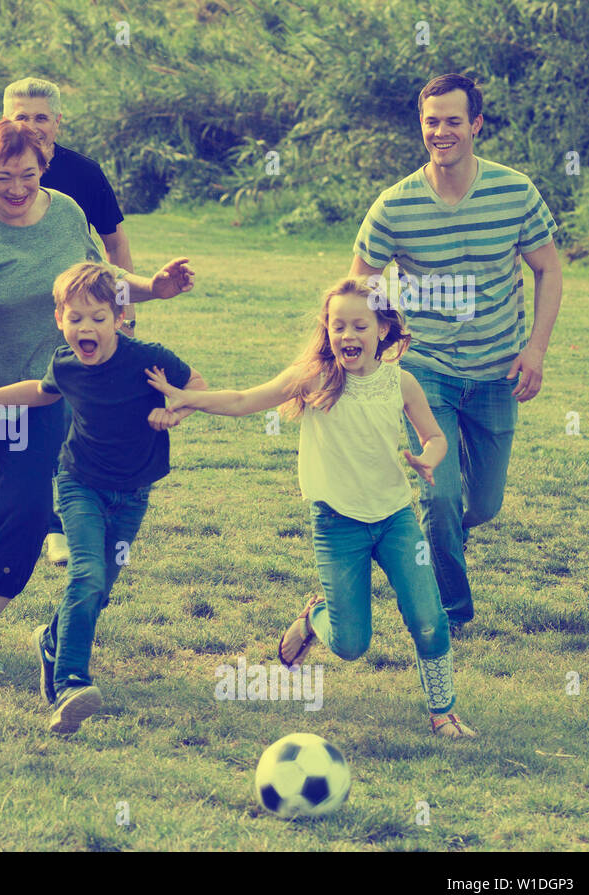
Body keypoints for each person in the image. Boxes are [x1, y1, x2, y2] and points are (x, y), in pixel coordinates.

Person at [0, 118, 194, 680]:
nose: (18, 188)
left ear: (44, 169)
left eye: (28, 174)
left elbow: (96, 281)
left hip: (41, 397)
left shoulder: (67, 212)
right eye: (3, 177)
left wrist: (153, 288)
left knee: (25, 515)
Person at [148, 278, 476, 737]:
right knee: (350, 644)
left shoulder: (401, 383)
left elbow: (435, 437)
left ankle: (443, 711)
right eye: (337, 325)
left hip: (395, 519)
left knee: (427, 616)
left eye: (359, 325)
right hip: (337, 524)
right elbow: (246, 400)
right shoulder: (316, 377)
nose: (347, 335)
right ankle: (312, 618)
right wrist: (190, 399)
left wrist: (430, 459)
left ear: (383, 329)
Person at [0, 263, 205, 734]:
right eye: (76, 318)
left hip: (133, 492)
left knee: (100, 589)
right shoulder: (65, 363)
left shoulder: (148, 359)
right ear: (59, 318)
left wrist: (174, 408)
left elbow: (198, 385)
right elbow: (40, 393)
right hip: (79, 484)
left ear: (120, 317)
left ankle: (52, 640)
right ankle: (70, 683)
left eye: (99, 318)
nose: (87, 328)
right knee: (86, 575)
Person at [349, 73, 562, 632]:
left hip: (497, 371)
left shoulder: (515, 192)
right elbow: (360, 284)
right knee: (439, 500)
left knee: (481, 506)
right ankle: (449, 613)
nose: (440, 132)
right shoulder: (394, 205)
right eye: (431, 122)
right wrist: (380, 340)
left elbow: (548, 268)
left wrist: (535, 348)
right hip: (426, 373)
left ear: (476, 125)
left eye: (452, 121)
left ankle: (431, 540)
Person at [0, 77, 136, 566]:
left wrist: (125, 312)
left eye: (40, 117)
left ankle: (57, 524)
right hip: (3, 327)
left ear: (57, 122)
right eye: (19, 117)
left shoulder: (83, 177)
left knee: (63, 422)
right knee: (10, 432)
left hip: (70, 322)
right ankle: (5, 519)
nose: (31, 127)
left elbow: (115, 246)